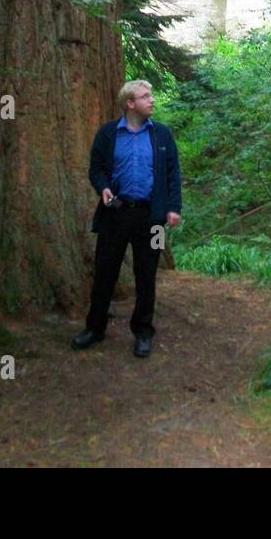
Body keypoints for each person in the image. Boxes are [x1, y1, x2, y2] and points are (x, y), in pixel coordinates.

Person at [71, 79, 182, 357]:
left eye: (151, 95)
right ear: (130, 103)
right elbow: (96, 168)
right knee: (105, 273)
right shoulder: (108, 134)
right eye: (146, 96)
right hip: (115, 214)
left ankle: (143, 332)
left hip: (152, 218)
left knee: (146, 275)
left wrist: (173, 208)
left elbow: (172, 174)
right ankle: (94, 328)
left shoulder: (162, 135)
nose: (152, 100)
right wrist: (103, 188)